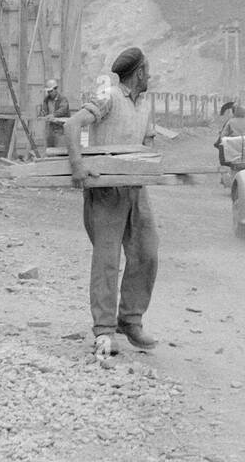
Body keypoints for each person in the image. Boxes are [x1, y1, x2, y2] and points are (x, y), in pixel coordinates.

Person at [65, 47, 158, 360]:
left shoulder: (146, 103)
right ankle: (104, 331)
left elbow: (148, 142)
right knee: (106, 261)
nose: (151, 75)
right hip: (105, 190)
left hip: (135, 188)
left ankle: (130, 320)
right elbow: (71, 125)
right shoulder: (109, 98)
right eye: (148, 70)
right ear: (139, 73)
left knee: (147, 253)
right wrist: (78, 166)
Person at [38, 78, 70, 148]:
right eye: (48, 91)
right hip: (51, 127)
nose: (49, 93)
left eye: (51, 91)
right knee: (49, 147)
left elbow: (63, 109)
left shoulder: (62, 99)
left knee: (59, 148)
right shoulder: (46, 99)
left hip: (61, 128)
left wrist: (53, 115)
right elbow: (44, 110)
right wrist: (43, 113)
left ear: (56, 89)